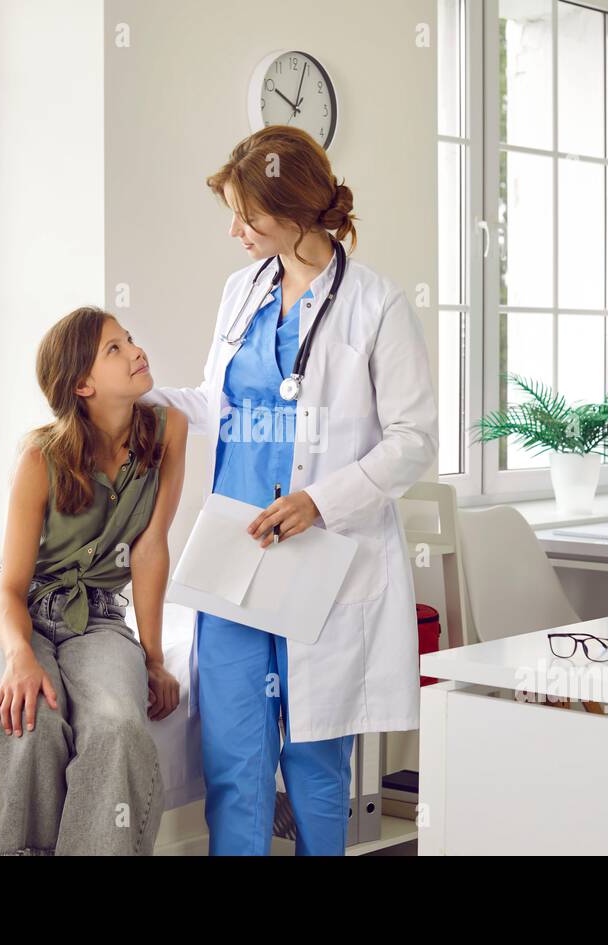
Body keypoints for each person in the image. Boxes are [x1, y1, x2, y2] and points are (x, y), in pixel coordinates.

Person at [140, 125, 438, 855]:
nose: (235, 230)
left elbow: (415, 438)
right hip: (236, 556)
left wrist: (322, 500)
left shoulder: (376, 305)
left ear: (296, 209)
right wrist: (138, 401)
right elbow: (218, 401)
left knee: (314, 764)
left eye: (248, 214)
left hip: (325, 560)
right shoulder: (240, 291)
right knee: (235, 764)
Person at [0, 306, 185, 855]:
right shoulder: (41, 457)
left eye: (129, 339)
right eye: (115, 348)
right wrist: (20, 658)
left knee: (118, 729)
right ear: (82, 384)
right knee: (33, 719)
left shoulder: (168, 429)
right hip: (17, 612)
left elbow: (150, 548)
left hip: (99, 617)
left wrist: (153, 659)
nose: (136, 351)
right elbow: (10, 590)